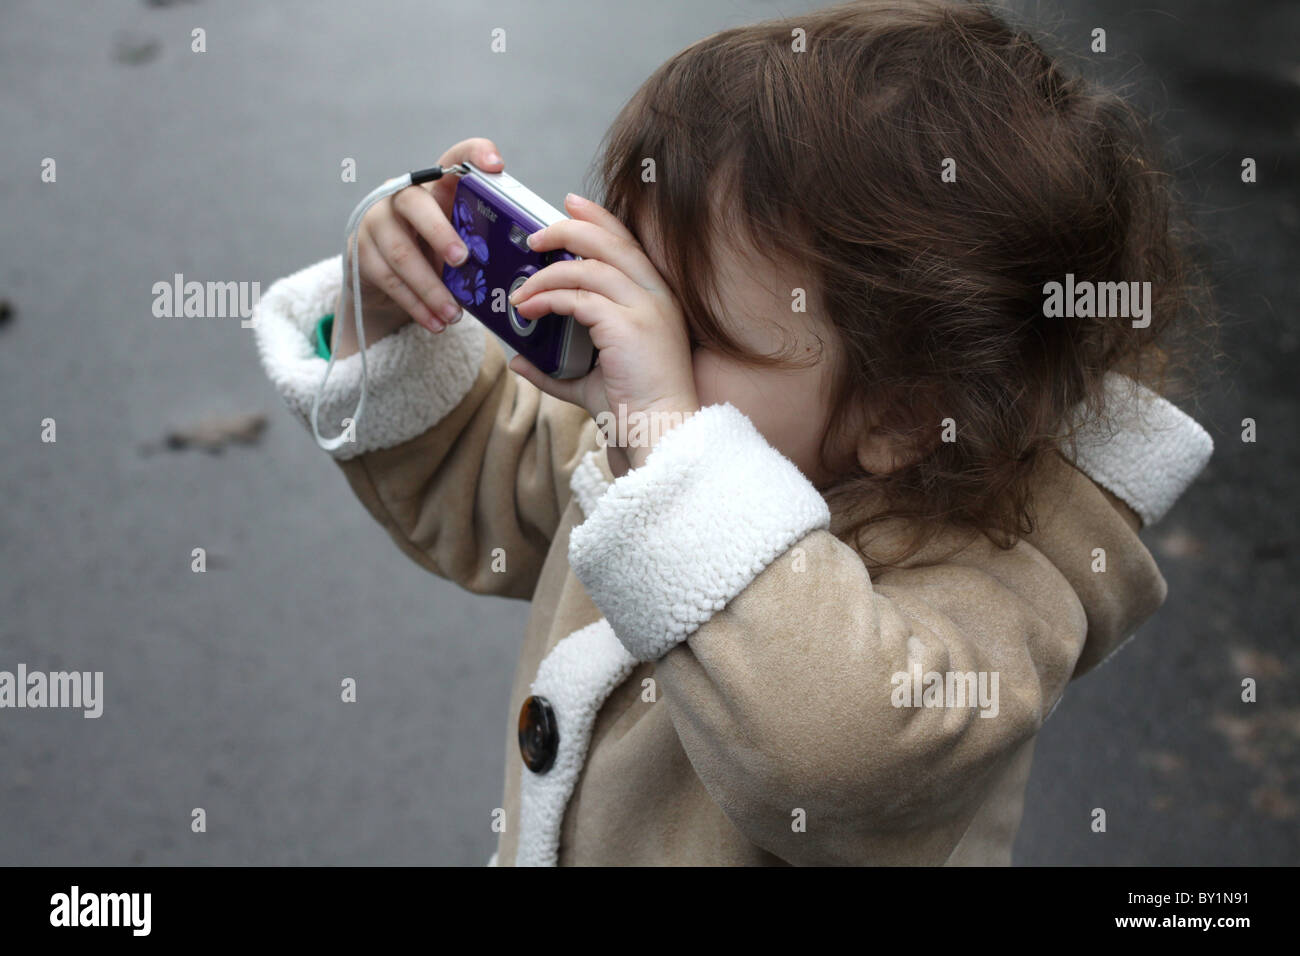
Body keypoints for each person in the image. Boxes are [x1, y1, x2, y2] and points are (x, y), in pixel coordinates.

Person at [253, 0, 1213, 865]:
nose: (627, 340)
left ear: (904, 415)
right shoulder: (653, 446)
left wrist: (667, 439)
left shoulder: (998, 594)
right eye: (631, 276)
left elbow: (837, 751)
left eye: (690, 327)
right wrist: (386, 319)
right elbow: (479, 482)